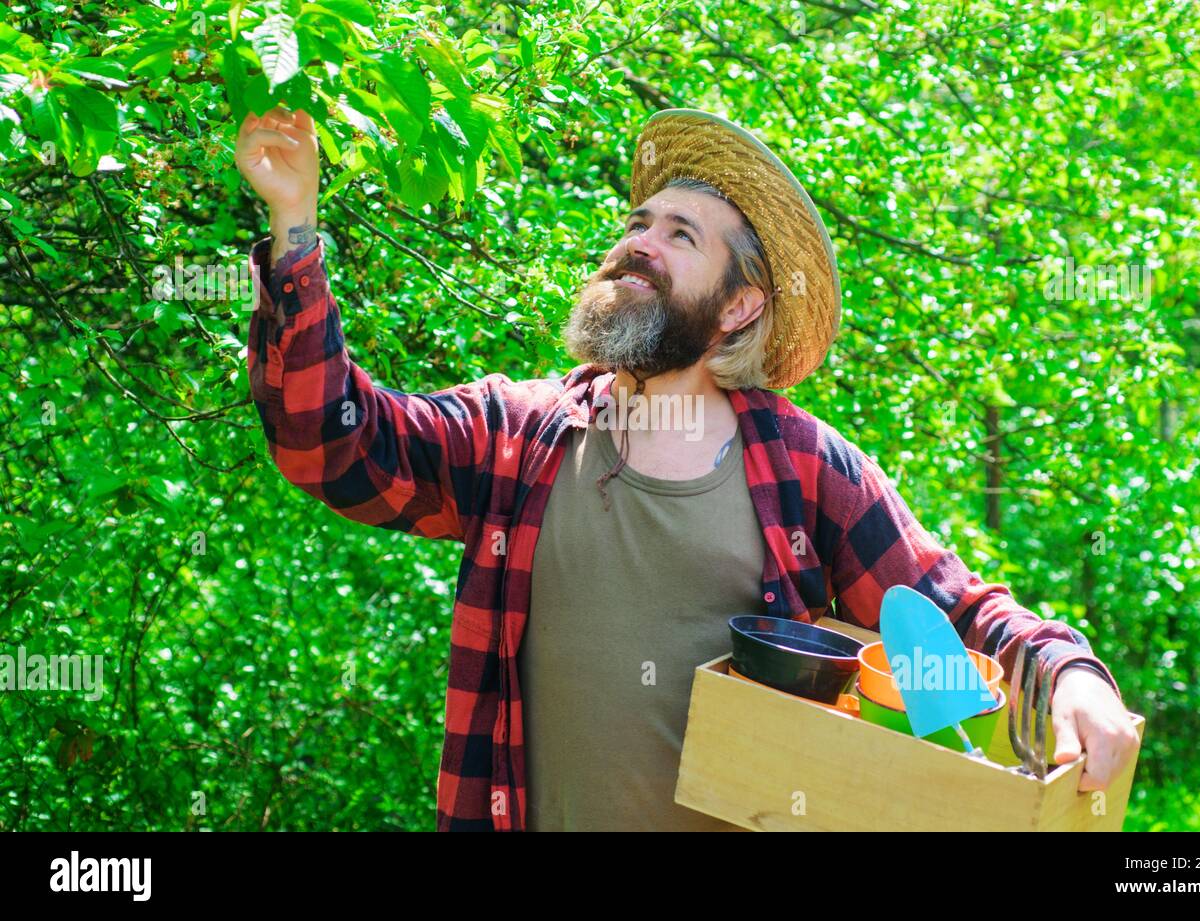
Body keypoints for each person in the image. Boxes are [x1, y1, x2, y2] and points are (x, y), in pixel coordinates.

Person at [235, 106, 1140, 831]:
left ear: (740, 305)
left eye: (680, 234)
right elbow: (334, 447)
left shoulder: (802, 465)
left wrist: (1071, 676)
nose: (639, 241)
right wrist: (295, 228)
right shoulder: (518, 434)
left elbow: (953, 612)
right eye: (638, 222)